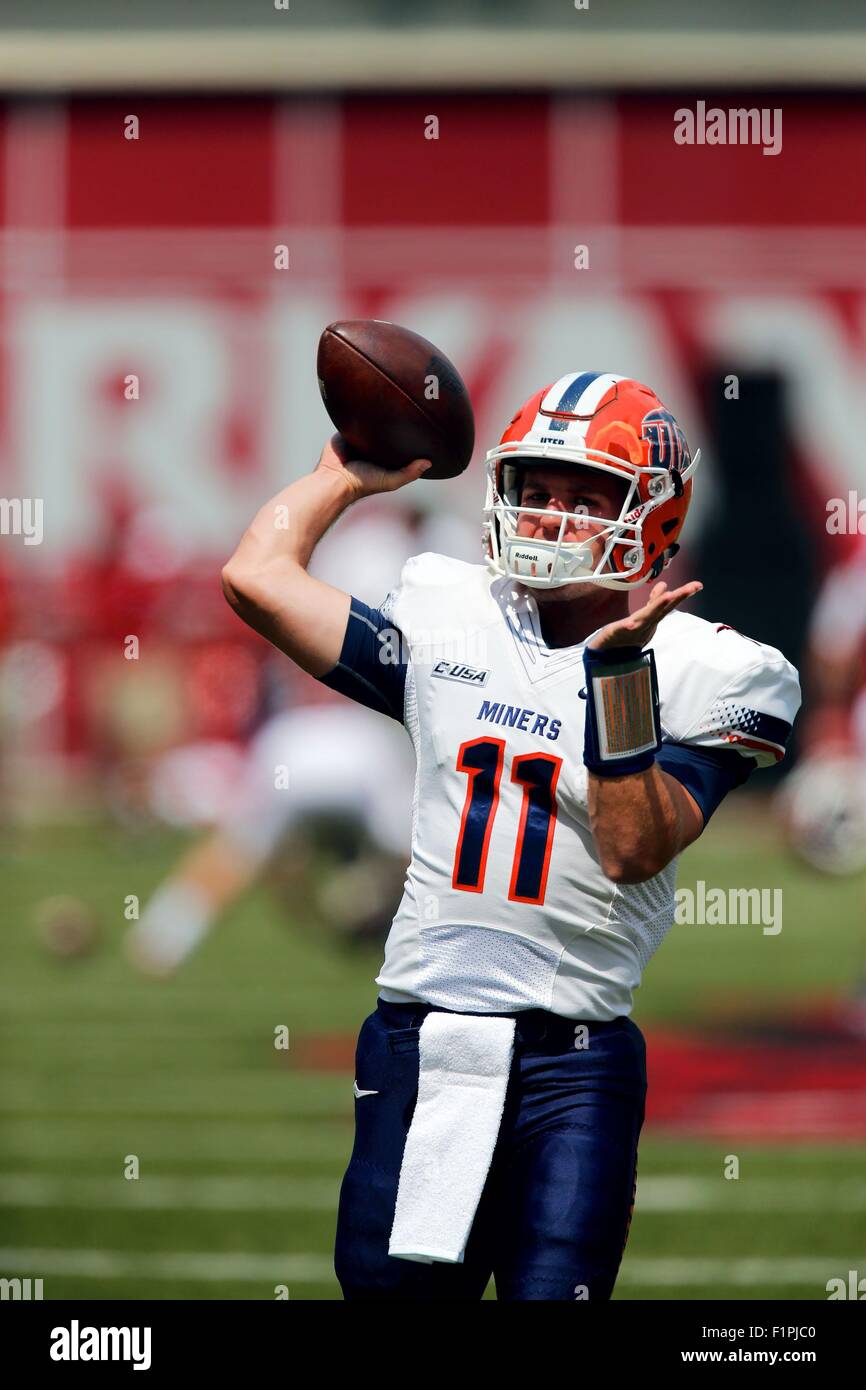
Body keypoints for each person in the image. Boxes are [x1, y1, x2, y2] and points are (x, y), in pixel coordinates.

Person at [221, 370, 801, 1301]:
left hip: (573, 1062)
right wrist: (345, 471)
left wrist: (616, 685)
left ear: (652, 515)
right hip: (418, 1039)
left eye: (585, 499)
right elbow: (255, 579)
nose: (549, 517)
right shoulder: (456, 612)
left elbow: (633, 848)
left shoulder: (716, 668)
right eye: (536, 490)